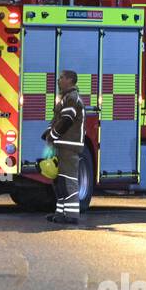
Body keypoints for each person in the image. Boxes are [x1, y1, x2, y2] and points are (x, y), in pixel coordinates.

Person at [42, 69, 85, 225]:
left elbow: (66, 120)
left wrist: (52, 135)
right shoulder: (65, 98)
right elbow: (57, 119)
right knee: (60, 182)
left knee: (68, 180)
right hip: (62, 144)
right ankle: (60, 213)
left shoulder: (72, 98)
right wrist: (47, 132)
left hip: (69, 145)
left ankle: (72, 215)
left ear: (70, 80)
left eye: (62, 78)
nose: (59, 80)